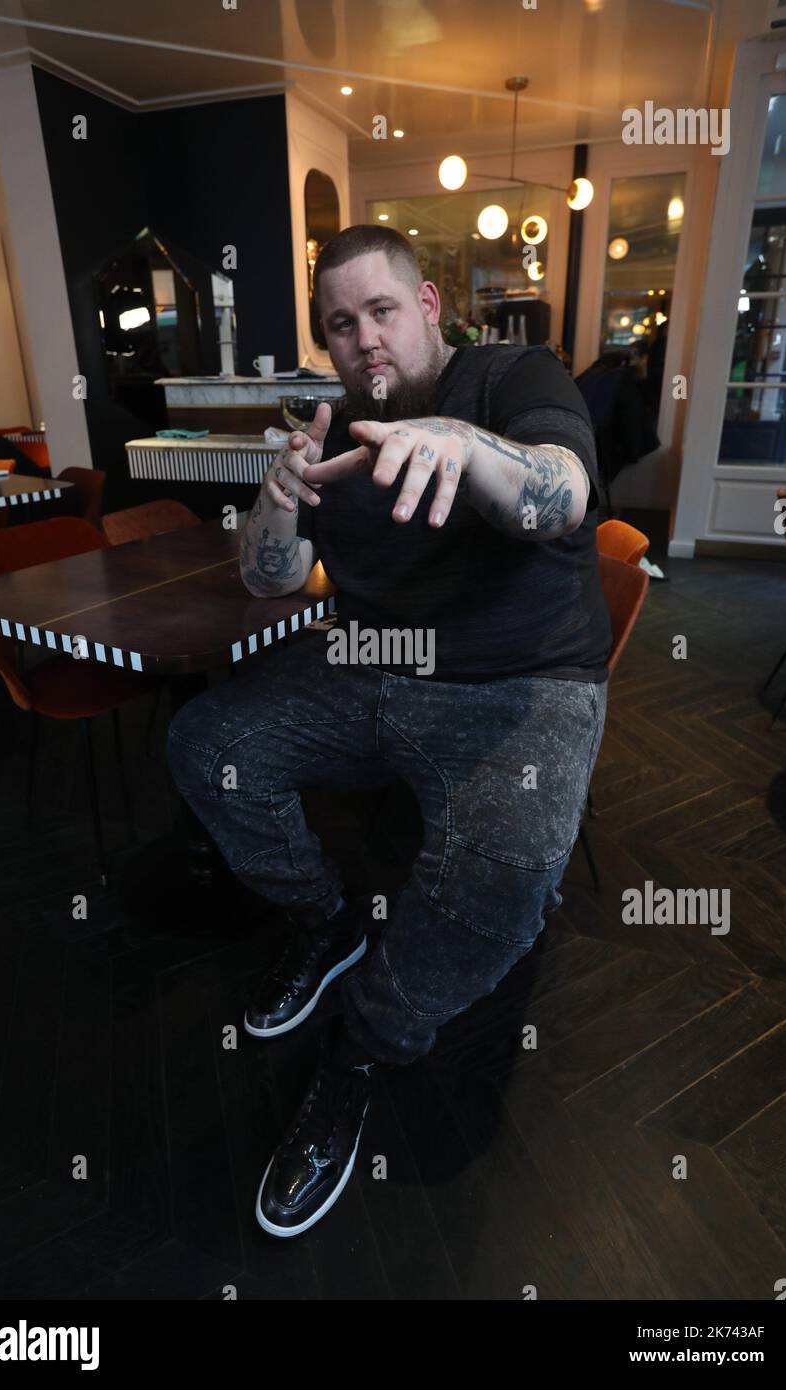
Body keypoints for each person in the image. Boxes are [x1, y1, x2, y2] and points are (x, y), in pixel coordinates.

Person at [166, 225, 612, 1239]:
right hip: (371, 661)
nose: (364, 338)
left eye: (380, 311)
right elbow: (271, 581)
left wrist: (464, 445)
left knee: (502, 880)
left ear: (426, 308)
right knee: (207, 747)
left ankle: (363, 1047)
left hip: (521, 680)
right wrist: (275, 502)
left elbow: (561, 495)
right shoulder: (328, 426)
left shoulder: (511, 377)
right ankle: (325, 919)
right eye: (339, 323)